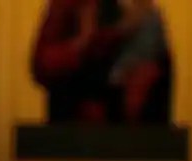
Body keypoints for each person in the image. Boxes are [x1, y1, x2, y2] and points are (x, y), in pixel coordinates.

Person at [31, 0, 173, 124]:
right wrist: (83, 41)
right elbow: (42, 66)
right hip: (76, 120)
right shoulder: (72, 5)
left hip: (123, 122)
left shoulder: (144, 16)